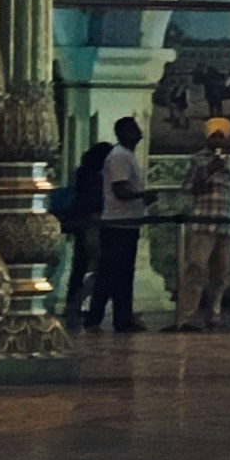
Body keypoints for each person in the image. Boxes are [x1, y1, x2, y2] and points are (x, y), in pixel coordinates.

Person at [174, 116, 230, 331]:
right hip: (203, 224)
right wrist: (210, 170)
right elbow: (190, 188)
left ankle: (214, 315)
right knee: (196, 269)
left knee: (220, 274)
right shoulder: (197, 160)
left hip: (225, 223)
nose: (218, 141)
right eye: (214, 136)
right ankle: (187, 317)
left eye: (222, 137)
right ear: (207, 138)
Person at [84, 113, 149, 331]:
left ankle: (122, 319)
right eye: (133, 128)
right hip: (117, 223)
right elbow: (119, 189)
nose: (139, 131)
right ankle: (94, 318)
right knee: (110, 274)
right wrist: (142, 196)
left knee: (121, 275)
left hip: (127, 223)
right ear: (123, 133)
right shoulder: (120, 156)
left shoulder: (126, 155)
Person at [60, 139, 111, 326]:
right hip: (94, 224)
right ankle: (78, 303)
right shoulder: (98, 178)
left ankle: (73, 303)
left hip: (82, 223)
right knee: (101, 266)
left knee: (79, 266)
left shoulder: (83, 174)